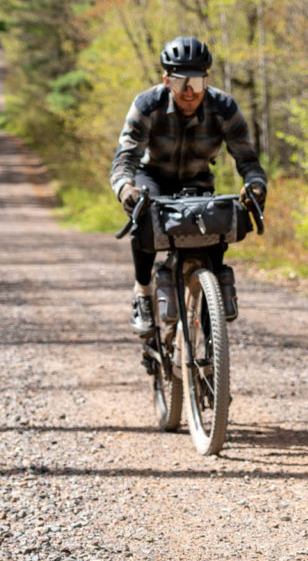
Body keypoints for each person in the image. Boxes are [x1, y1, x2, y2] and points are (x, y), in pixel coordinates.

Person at [111, 36, 268, 336]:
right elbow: (125, 157)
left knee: (215, 234)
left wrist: (255, 186)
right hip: (152, 178)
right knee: (141, 222)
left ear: (207, 80)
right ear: (166, 80)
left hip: (198, 183)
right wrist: (125, 188)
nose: (189, 92)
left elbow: (248, 160)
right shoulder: (147, 105)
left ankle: (212, 340)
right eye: (181, 83)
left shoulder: (224, 107)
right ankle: (143, 293)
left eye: (196, 83)